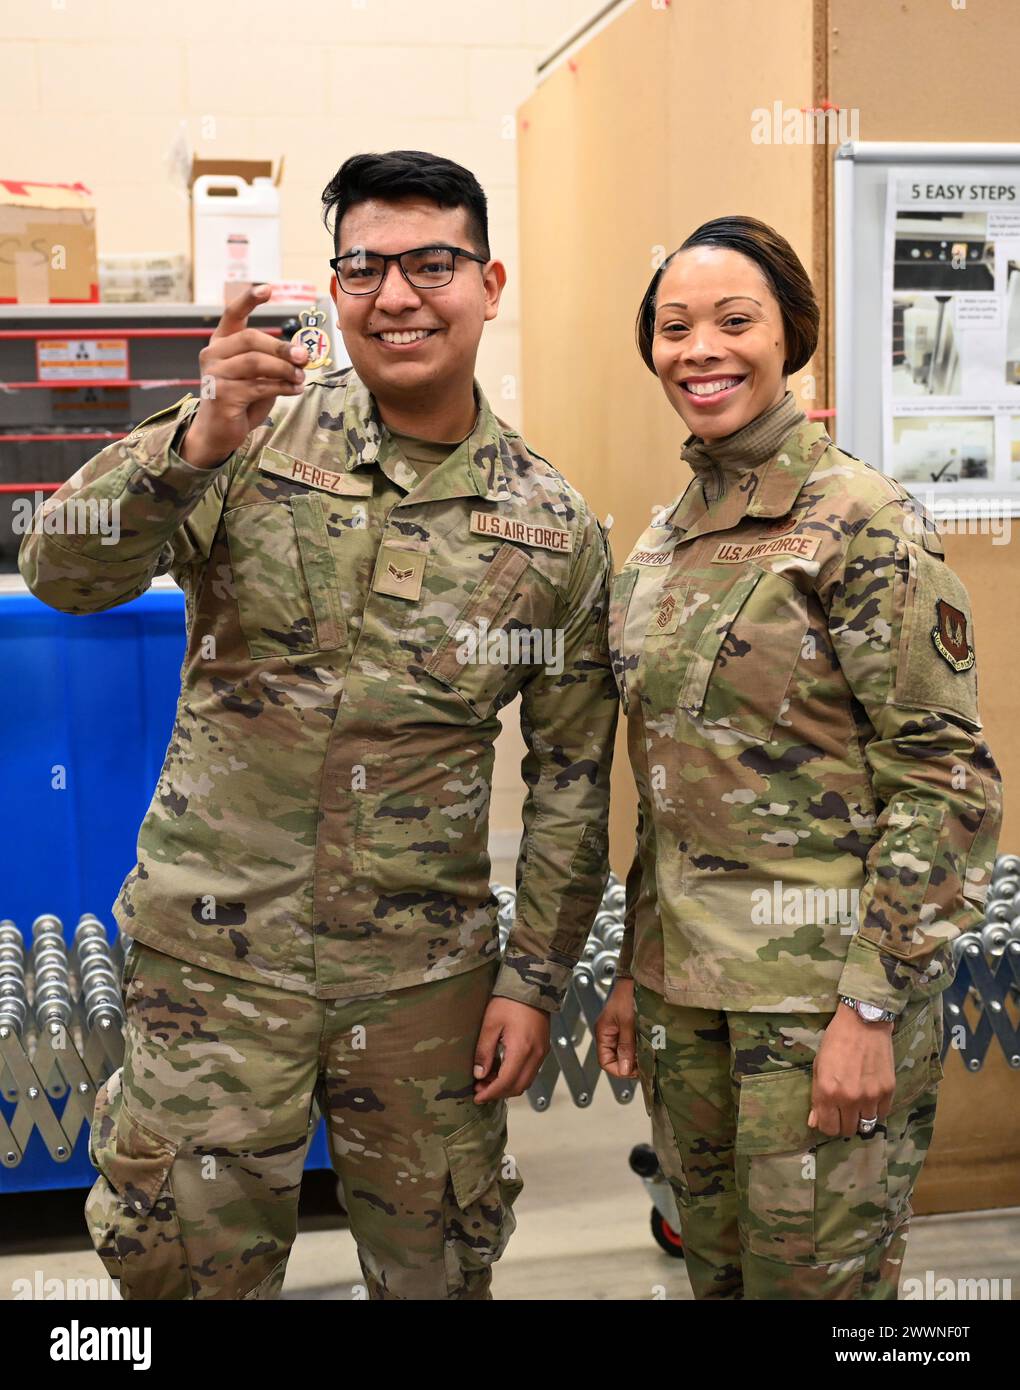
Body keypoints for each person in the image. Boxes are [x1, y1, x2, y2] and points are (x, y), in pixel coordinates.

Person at [20, 150, 618, 1299]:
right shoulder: (245, 439)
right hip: (213, 968)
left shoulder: (551, 526)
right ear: (335, 289)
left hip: (423, 989)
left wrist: (532, 981)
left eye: (432, 263)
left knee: (438, 1264)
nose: (398, 296)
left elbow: (573, 778)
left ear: (490, 282)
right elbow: (62, 572)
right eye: (365, 268)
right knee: (181, 1270)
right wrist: (191, 444)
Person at [595, 215, 1002, 1300]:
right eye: (674, 326)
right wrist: (640, 969)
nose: (701, 349)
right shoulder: (667, 537)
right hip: (689, 1005)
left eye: (736, 321)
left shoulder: (860, 520)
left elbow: (944, 778)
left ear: (792, 336)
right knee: (720, 1282)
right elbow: (672, 782)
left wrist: (872, 1009)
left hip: (816, 1003)